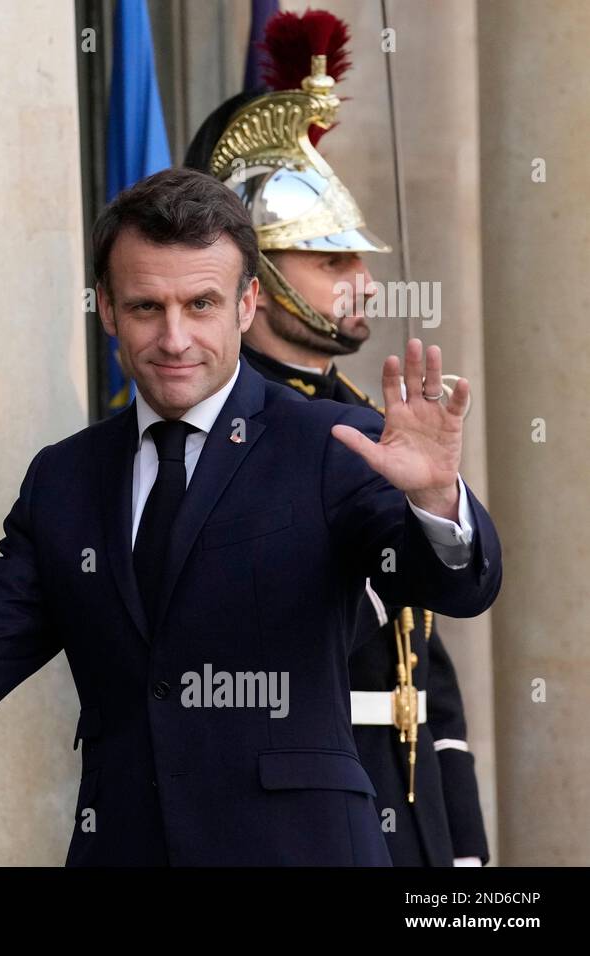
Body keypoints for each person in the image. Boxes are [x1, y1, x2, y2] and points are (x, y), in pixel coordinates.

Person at [0, 164, 500, 865]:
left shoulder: (332, 445)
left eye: (201, 305)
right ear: (108, 310)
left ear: (248, 305)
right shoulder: (66, 477)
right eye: (148, 307)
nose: (174, 339)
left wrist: (436, 501)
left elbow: (457, 588)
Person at [183, 8, 489, 865]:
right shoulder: (219, 429)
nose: (362, 280)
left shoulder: (365, 413)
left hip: (412, 809)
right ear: (260, 273)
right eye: (331, 259)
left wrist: (460, 848)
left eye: (356, 257)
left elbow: (425, 661)